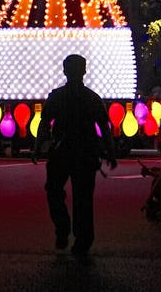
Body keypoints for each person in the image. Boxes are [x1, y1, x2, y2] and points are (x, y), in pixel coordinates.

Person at [33, 54, 117, 256]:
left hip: (61, 151)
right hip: (86, 153)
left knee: (54, 191)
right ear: (84, 71)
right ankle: (82, 240)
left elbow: (44, 124)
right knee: (83, 198)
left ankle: (63, 227)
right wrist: (110, 151)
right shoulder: (92, 98)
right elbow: (104, 128)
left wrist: (37, 148)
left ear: (64, 71)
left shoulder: (57, 96)